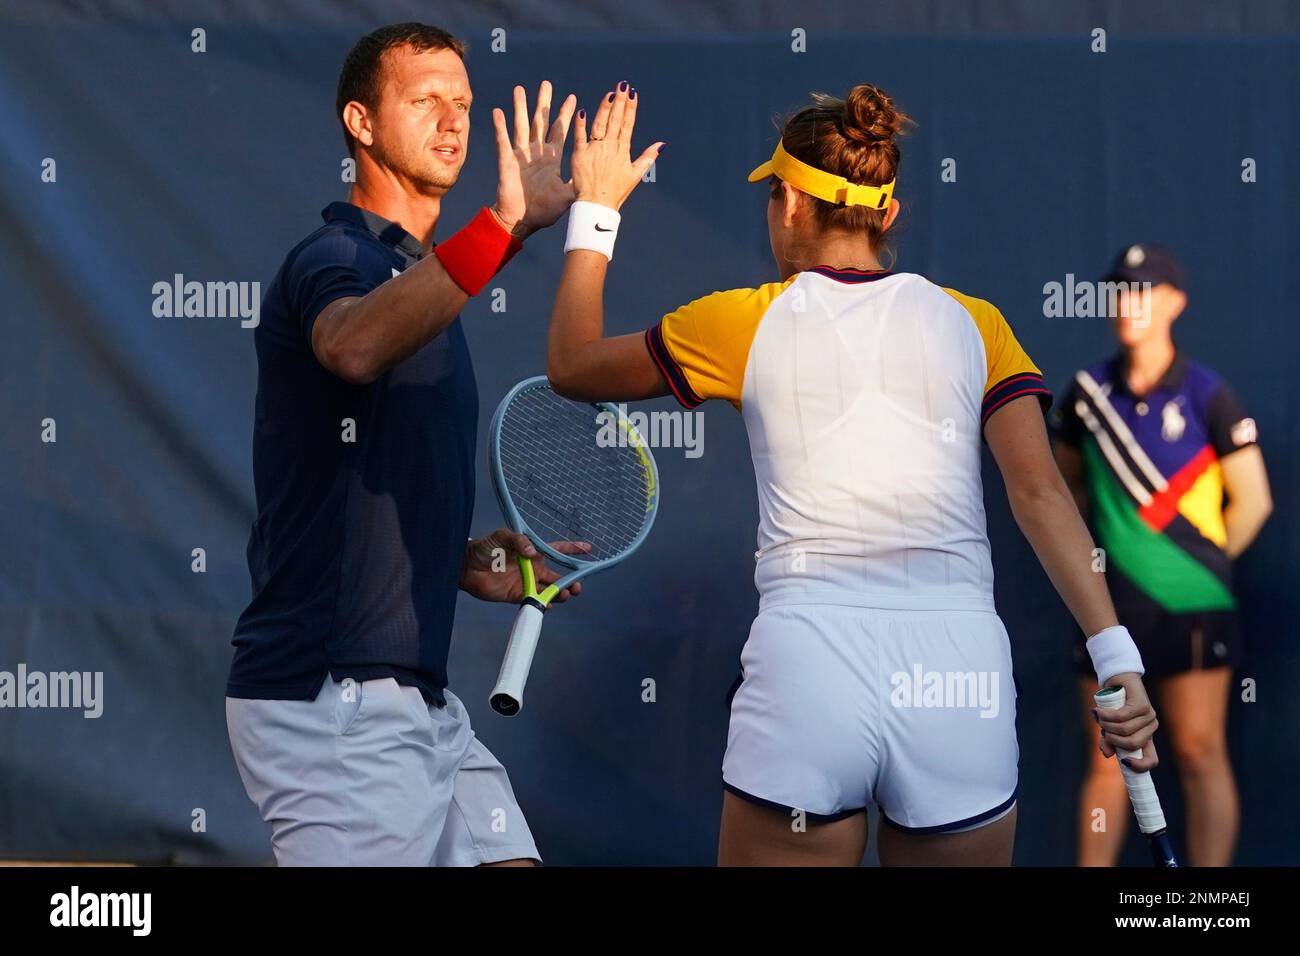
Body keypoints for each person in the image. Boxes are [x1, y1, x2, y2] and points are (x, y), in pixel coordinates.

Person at [544, 81, 1161, 865]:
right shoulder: (977, 325)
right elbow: (1039, 495)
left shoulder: (742, 320)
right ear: (888, 214)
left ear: (792, 202)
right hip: (957, 679)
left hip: (810, 675)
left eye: (773, 196)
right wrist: (1116, 659)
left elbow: (569, 364)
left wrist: (597, 210)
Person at [225, 22, 587, 866]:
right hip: (332, 703)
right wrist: (503, 223)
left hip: (418, 704)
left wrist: (454, 557)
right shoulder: (335, 255)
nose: (453, 120)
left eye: (462, 103)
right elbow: (352, 346)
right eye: (425, 100)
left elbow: (355, 481)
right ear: (360, 122)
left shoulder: (429, 276)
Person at [1053, 244, 1272, 867]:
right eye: (1121, 290)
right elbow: (1060, 492)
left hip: (1195, 605)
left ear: (1175, 303)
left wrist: (1196, 565)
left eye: (1144, 291)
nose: (1129, 303)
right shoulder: (1086, 395)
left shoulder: (1208, 394)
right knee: (1109, 763)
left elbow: (1252, 501)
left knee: (1201, 751)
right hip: (1107, 611)